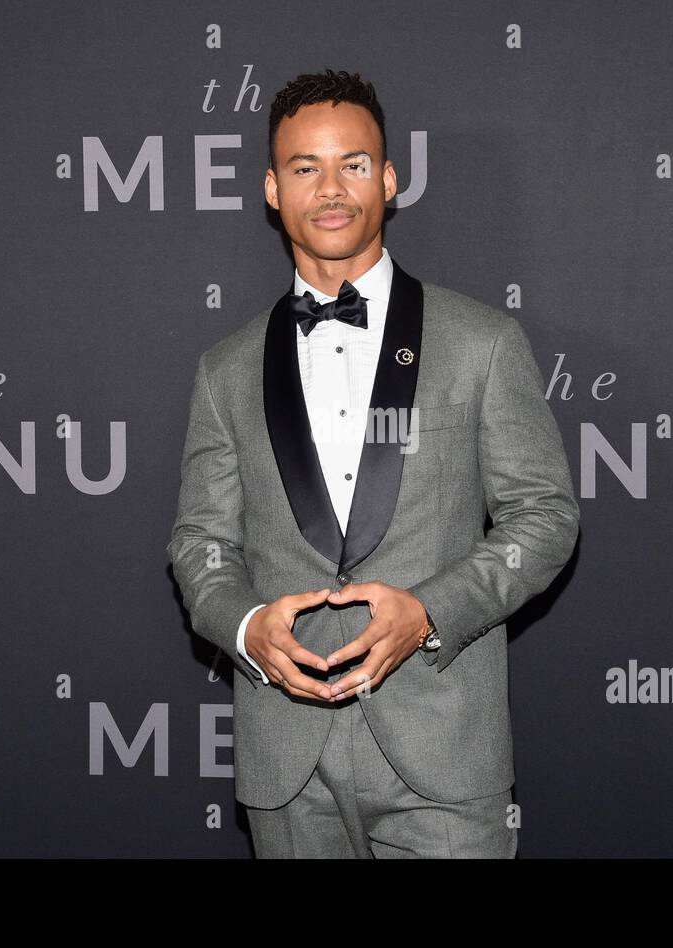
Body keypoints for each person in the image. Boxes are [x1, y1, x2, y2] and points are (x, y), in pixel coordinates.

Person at [167, 68, 579, 858]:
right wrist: (248, 627)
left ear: (388, 180)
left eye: (353, 164)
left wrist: (429, 612)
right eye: (304, 168)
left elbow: (546, 517)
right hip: (288, 765)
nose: (330, 188)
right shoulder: (225, 369)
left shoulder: (482, 343)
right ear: (271, 189)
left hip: (445, 752)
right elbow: (200, 544)